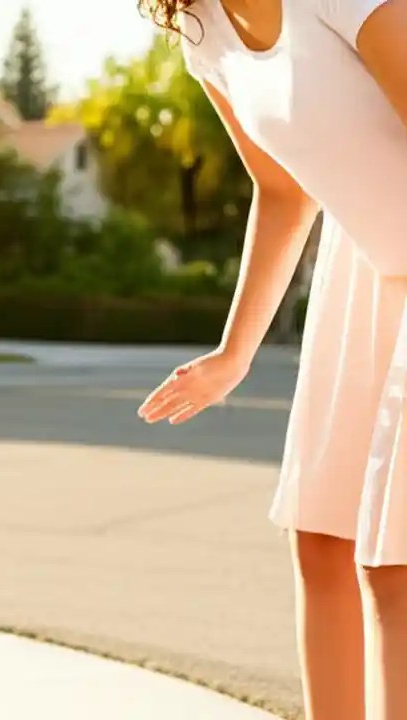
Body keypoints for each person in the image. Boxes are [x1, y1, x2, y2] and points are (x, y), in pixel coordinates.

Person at [135, 1, 407, 718]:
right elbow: (283, 191)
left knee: (394, 565)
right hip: (365, 262)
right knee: (321, 536)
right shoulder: (203, 31)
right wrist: (234, 354)